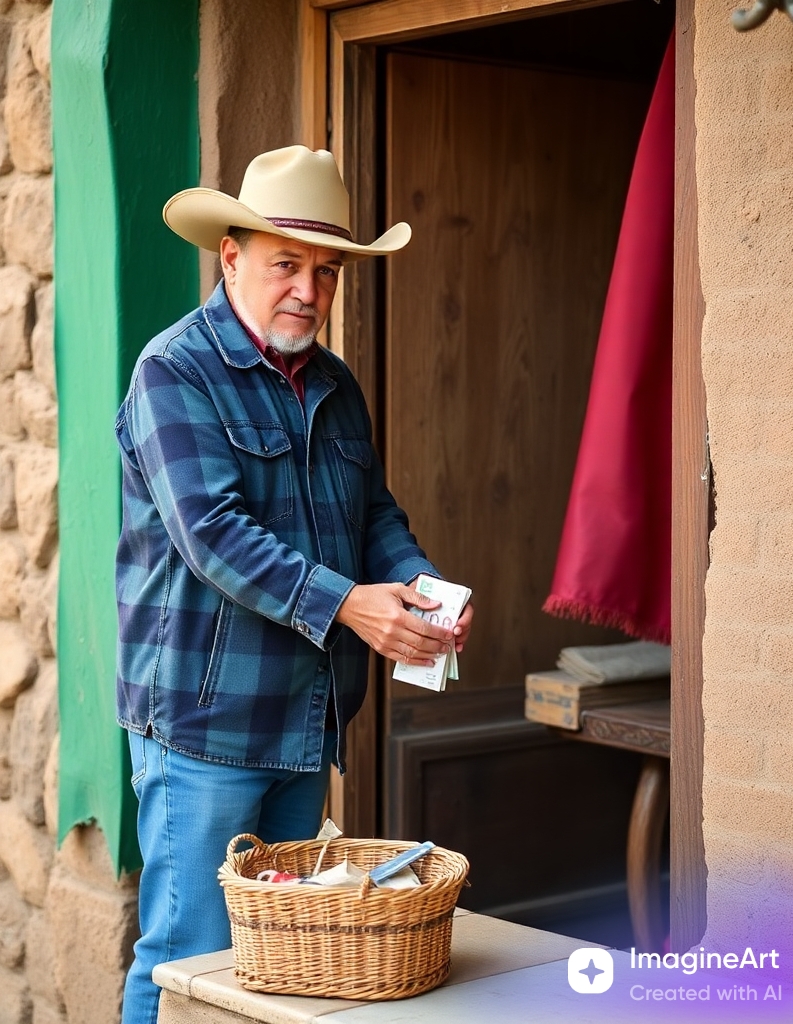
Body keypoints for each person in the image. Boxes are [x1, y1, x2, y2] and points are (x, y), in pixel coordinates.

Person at [114, 145, 473, 1024]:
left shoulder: (338, 386)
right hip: (203, 728)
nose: (308, 291)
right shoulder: (174, 371)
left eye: (326, 270)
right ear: (230, 257)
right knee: (184, 956)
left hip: (306, 724)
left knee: (269, 972)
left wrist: (420, 585)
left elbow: (373, 515)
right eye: (286, 264)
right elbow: (213, 535)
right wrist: (354, 605)